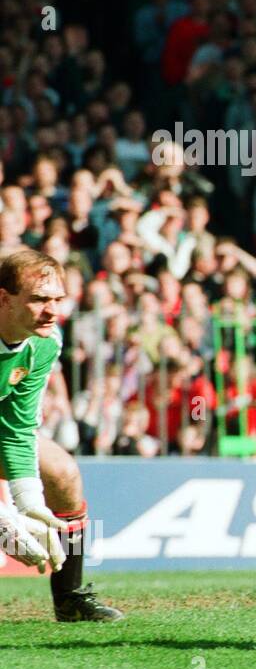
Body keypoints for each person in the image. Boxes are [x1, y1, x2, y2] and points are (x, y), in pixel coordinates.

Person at [0, 249, 122, 621]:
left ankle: (70, 599)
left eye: (57, 299)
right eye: (38, 300)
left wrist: (30, 503)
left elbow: (17, 426)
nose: (52, 311)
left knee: (62, 473)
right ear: (4, 299)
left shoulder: (45, 342)